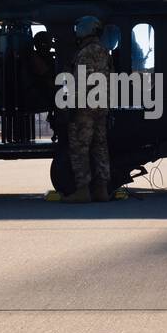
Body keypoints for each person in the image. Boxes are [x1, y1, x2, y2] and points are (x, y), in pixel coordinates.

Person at [65, 15, 112, 203]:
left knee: (80, 147)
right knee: (100, 146)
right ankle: (102, 190)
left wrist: (71, 106)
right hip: (102, 106)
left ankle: (83, 190)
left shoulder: (85, 53)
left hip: (85, 107)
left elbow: (80, 81)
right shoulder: (104, 52)